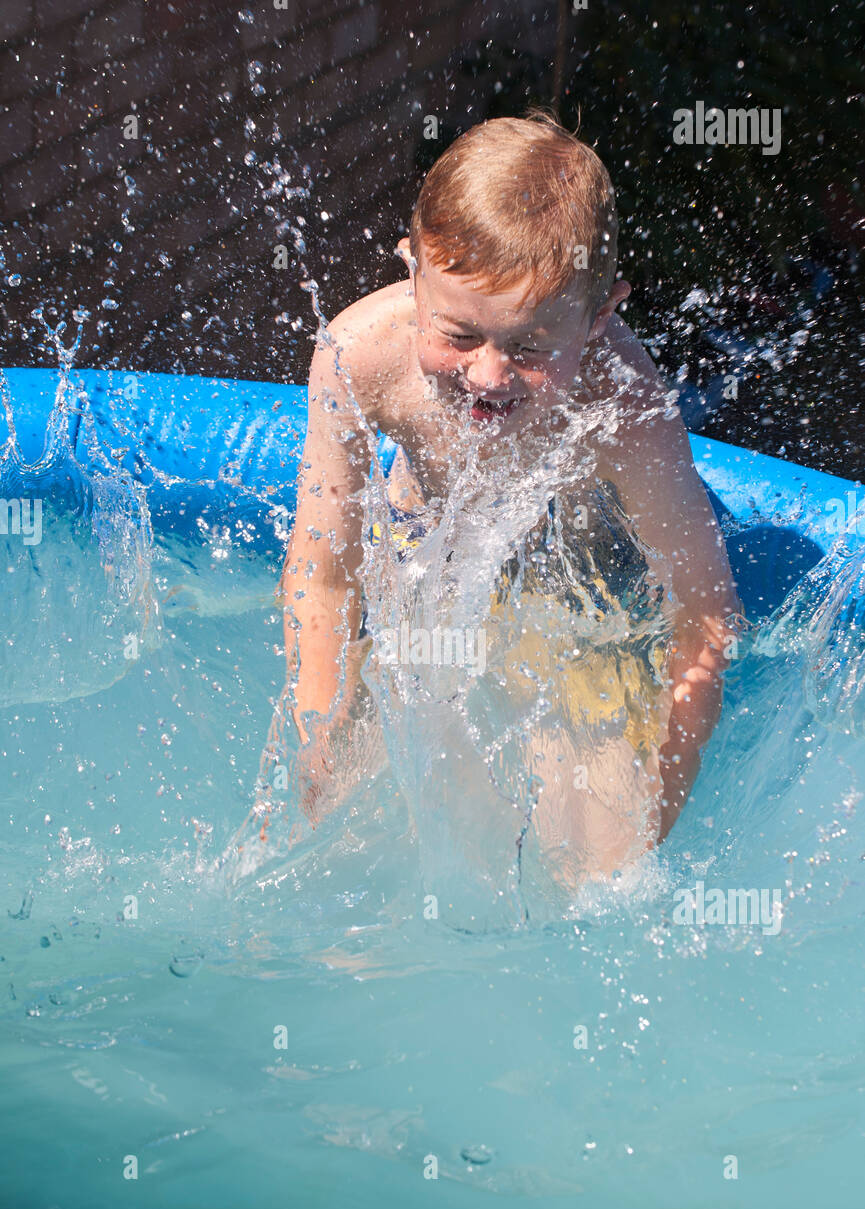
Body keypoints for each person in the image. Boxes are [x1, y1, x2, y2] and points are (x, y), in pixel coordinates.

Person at [272, 111, 741, 883]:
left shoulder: (623, 404)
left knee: (587, 881)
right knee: (337, 846)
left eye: (528, 348)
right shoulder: (359, 355)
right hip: (426, 567)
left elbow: (704, 614)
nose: (487, 377)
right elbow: (322, 578)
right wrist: (317, 733)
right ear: (411, 270)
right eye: (457, 335)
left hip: (581, 606)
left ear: (598, 317)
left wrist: (651, 813)